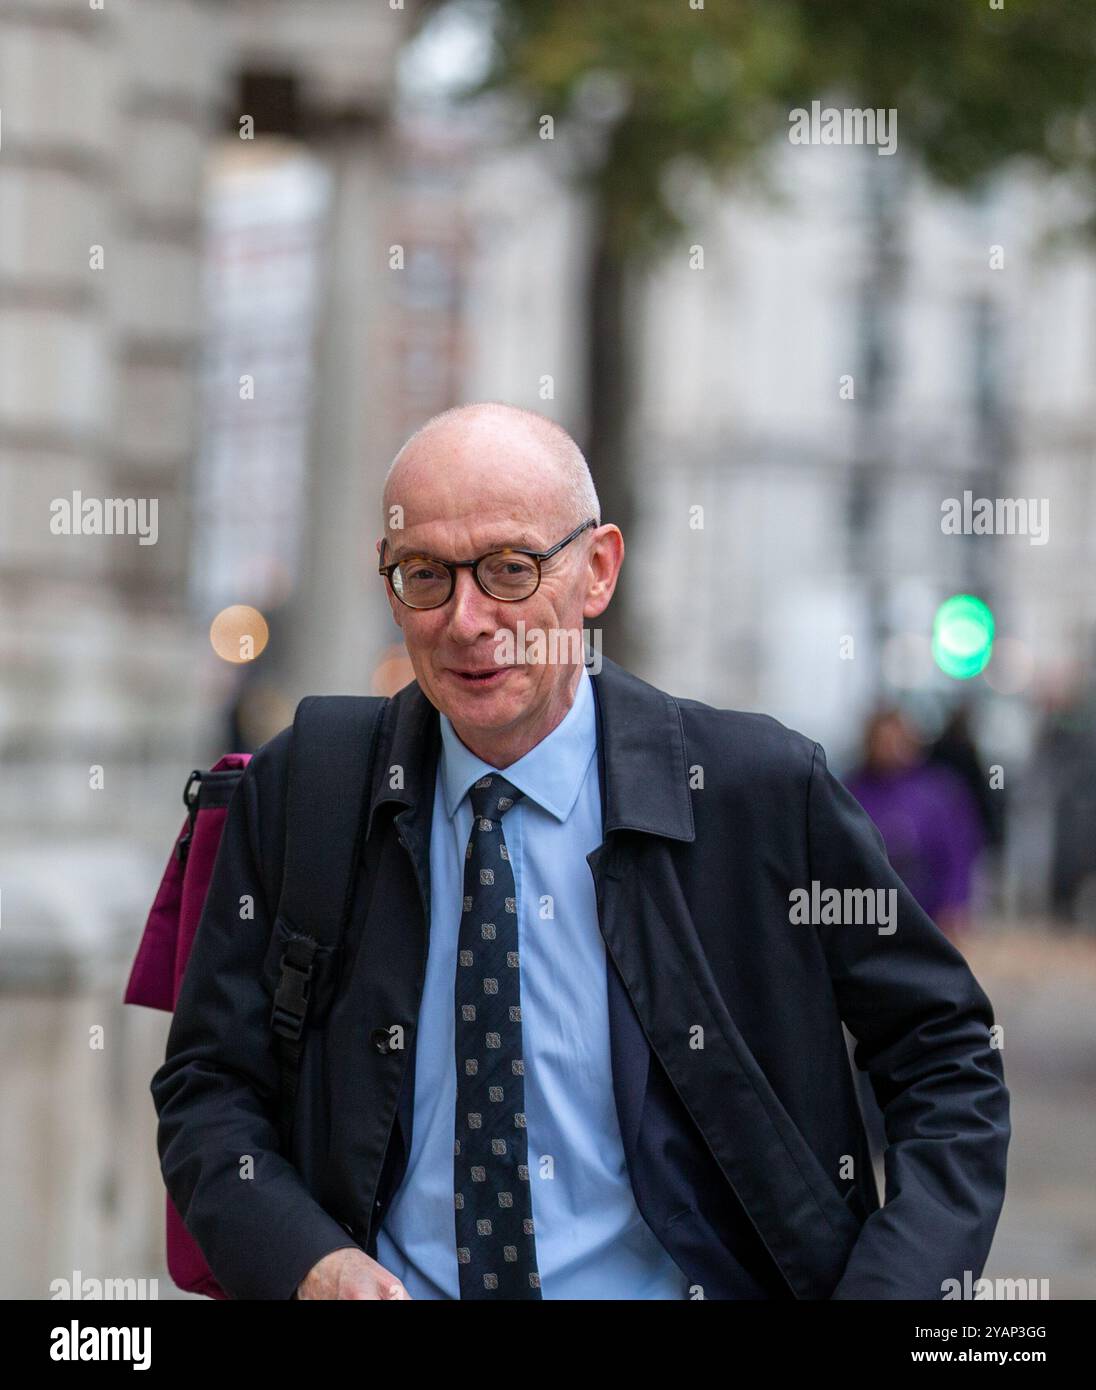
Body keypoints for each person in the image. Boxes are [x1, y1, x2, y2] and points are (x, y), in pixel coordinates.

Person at [151, 402, 1010, 1300]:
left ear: (597, 572)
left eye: (511, 570)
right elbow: (208, 1087)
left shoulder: (757, 791)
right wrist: (310, 1264)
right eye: (423, 576)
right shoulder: (309, 788)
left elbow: (946, 1052)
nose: (468, 619)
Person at [846, 708, 986, 942]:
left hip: (926, 915)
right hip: (865, 917)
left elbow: (959, 852)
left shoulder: (938, 793)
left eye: (897, 740)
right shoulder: (851, 792)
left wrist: (955, 903)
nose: (890, 748)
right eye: (883, 741)